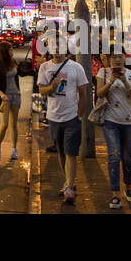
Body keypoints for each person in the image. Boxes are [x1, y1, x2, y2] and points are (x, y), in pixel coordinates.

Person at [37, 36, 90, 204]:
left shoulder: (76, 67)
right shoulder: (45, 67)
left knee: (71, 153)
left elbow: (83, 94)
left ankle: (69, 188)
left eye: (60, 45)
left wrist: (79, 116)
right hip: (53, 117)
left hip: (72, 117)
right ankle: (68, 182)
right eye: (53, 45)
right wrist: (51, 87)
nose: (57, 48)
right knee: (61, 153)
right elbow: (42, 91)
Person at [95, 52, 131, 209]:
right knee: (114, 155)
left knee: (127, 158)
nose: (116, 60)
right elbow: (99, 93)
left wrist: (124, 81)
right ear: (109, 59)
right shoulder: (103, 72)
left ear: (124, 58)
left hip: (129, 122)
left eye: (120, 56)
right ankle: (115, 194)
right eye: (113, 57)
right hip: (111, 121)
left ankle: (128, 187)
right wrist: (110, 82)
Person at [0, 40, 21, 162]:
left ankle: (14, 150)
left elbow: (21, 73)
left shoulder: (13, 62)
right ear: (5, 51)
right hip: (4, 98)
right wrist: (1, 93)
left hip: (16, 96)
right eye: (10, 49)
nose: (12, 51)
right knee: (4, 124)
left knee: (14, 125)